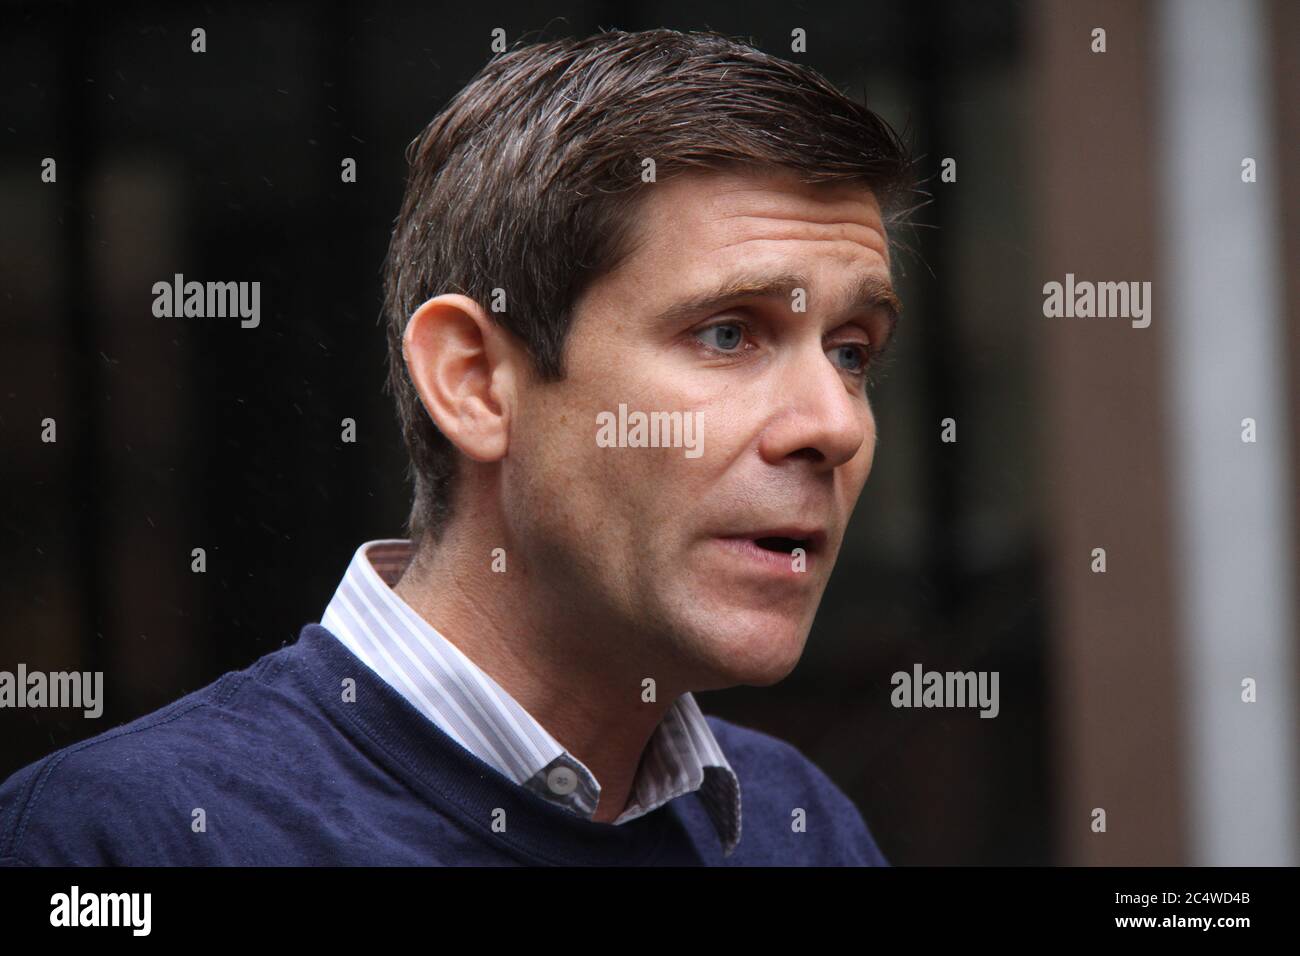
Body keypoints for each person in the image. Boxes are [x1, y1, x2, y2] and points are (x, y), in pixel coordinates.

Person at [0, 27, 909, 866]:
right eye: (727, 334)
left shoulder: (800, 827)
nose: (833, 423)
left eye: (851, 352)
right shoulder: (114, 839)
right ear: (474, 383)